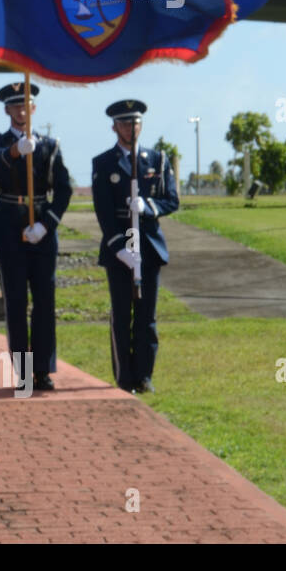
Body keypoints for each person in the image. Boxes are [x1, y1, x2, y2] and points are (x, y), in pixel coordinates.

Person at [0, 82, 72, 391]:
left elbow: (64, 189)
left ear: (34, 108)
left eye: (26, 105)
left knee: (45, 301)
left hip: (42, 231)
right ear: (7, 110)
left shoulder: (50, 145)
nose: (22, 111)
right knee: (16, 302)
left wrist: (46, 224)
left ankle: (42, 370)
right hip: (10, 226)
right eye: (15, 106)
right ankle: (23, 371)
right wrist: (15, 151)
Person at [92, 100, 179, 394]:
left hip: (149, 245)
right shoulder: (103, 163)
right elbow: (103, 211)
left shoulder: (157, 159)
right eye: (125, 123)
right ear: (114, 127)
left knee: (147, 316)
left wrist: (148, 206)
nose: (132, 128)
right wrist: (119, 247)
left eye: (136, 123)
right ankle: (123, 376)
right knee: (121, 314)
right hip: (120, 246)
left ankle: (144, 375)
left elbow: (172, 200)